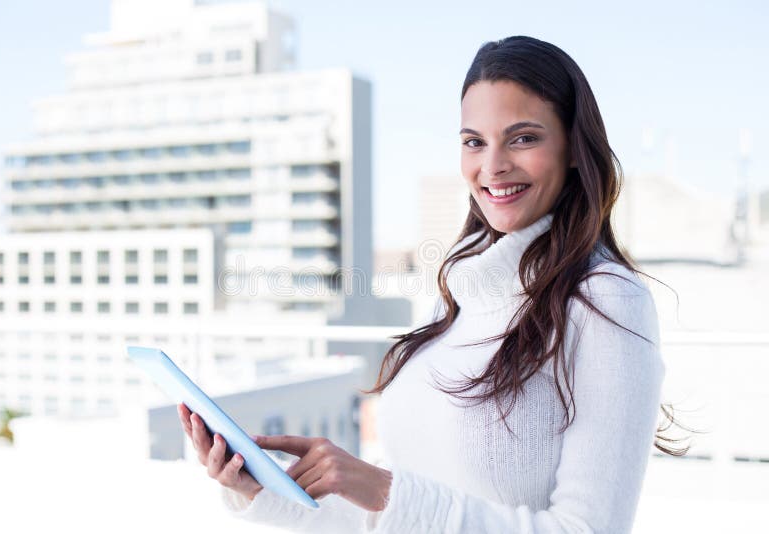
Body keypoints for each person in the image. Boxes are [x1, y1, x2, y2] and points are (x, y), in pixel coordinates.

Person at [177, 35, 688, 533]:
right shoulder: (460, 292)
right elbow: (397, 516)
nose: (493, 166)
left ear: (574, 146)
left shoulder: (607, 300)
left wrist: (381, 488)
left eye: (523, 138)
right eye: (474, 142)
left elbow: (587, 528)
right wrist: (264, 489)